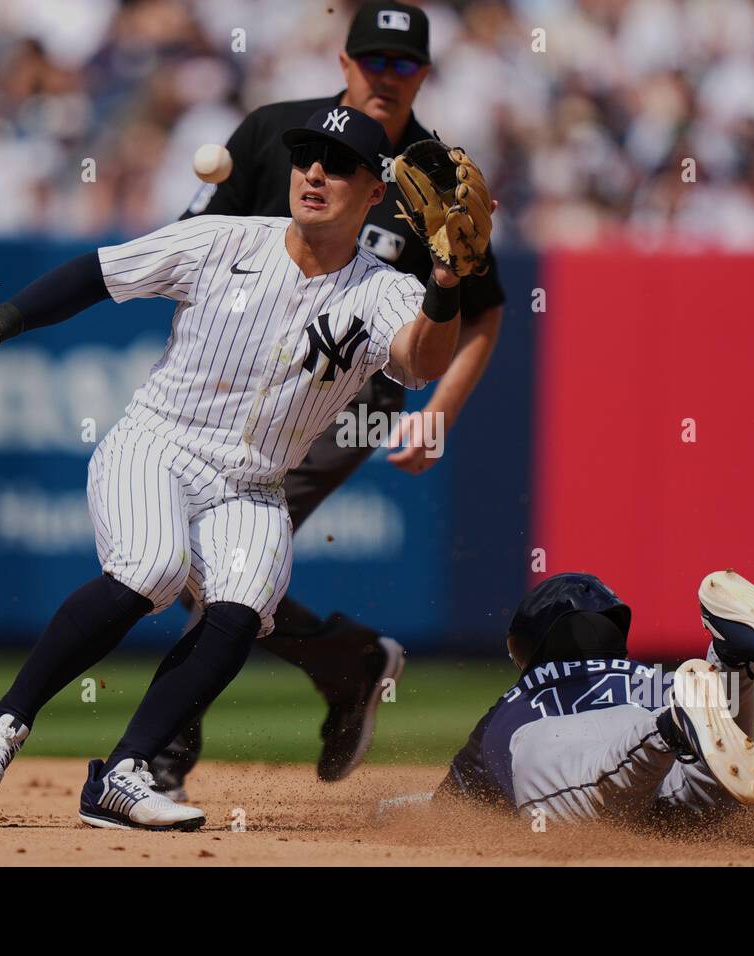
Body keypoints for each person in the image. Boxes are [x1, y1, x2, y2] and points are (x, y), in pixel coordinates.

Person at [0, 105, 492, 830]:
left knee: (243, 601)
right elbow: (99, 274)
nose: (314, 173)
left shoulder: (384, 289)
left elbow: (421, 363)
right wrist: (1, 323)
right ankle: (3, 724)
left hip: (253, 486)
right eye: (305, 158)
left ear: (376, 192)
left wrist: (447, 278)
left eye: (336, 164)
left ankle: (126, 771)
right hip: (157, 446)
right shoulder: (224, 238)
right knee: (154, 569)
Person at [154, 0, 508, 798]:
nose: (387, 75)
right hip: (237, 387)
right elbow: (191, 254)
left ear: (423, 74)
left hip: (353, 394)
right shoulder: (275, 133)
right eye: (373, 59)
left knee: (221, 554)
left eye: (404, 63)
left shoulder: (437, 177)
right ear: (344, 62)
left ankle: (161, 757)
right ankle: (347, 662)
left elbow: (483, 312)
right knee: (185, 558)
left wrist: (436, 410)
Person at [435, 569, 754, 821]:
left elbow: (448, 810)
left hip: (571, 747)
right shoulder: (647, 676)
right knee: (712, 804)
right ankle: (730, 661)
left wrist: (387, 814)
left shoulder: (517, 701)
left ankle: (671, 727)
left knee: (582, 807)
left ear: (532, 645)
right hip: (664, 738)